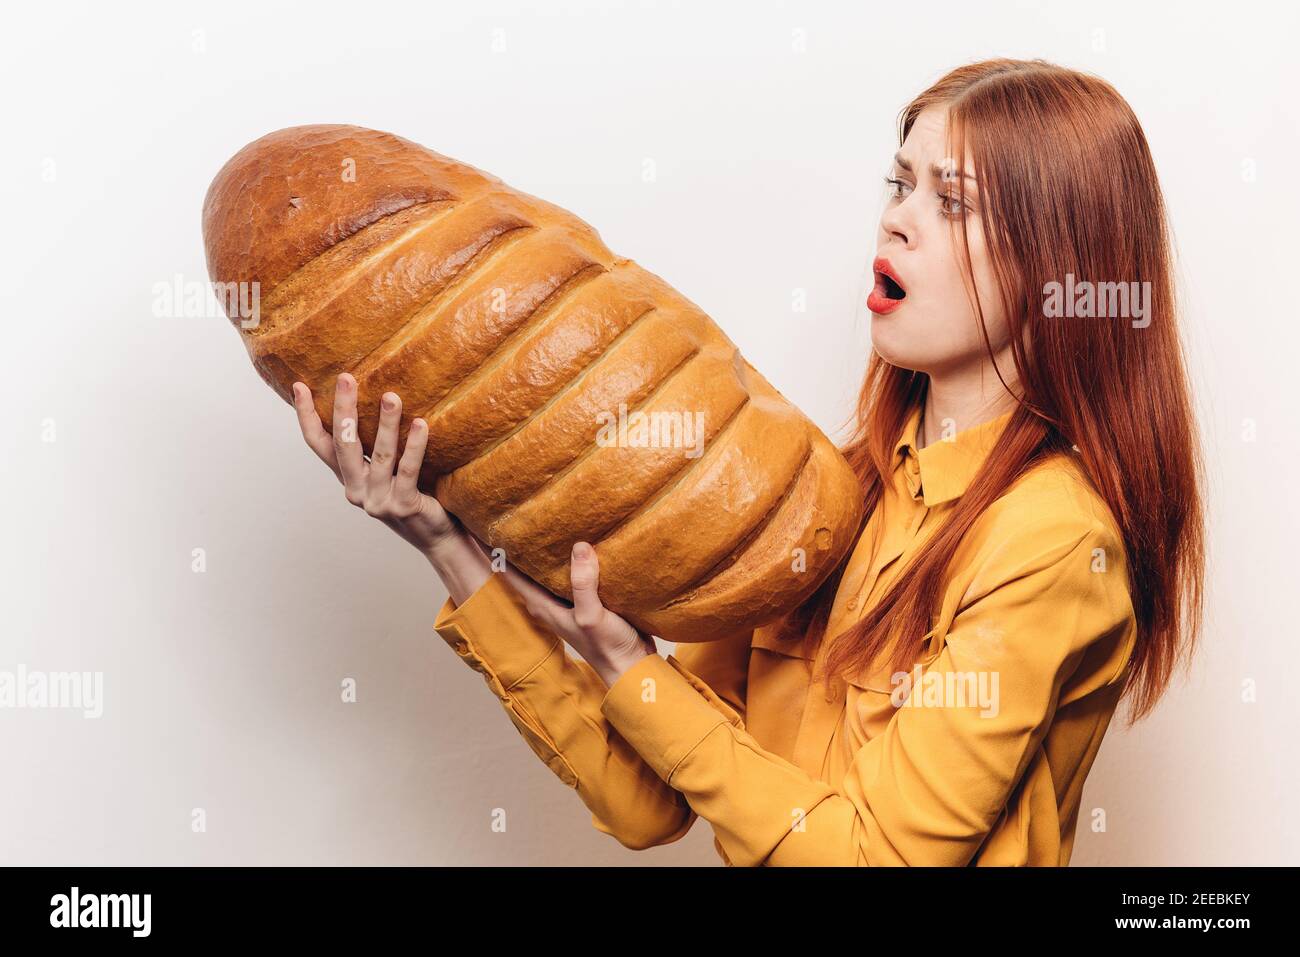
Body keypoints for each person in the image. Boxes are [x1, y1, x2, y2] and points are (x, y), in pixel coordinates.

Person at [291, 58, 1204, 866]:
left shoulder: (1050, 542)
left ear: (1057, 267)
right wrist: (446, 544)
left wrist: (632, 670)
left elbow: (874, 857)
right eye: (900, 183)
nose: (895, 222)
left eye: (950, 200)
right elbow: (647, 803)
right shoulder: (830, 500)